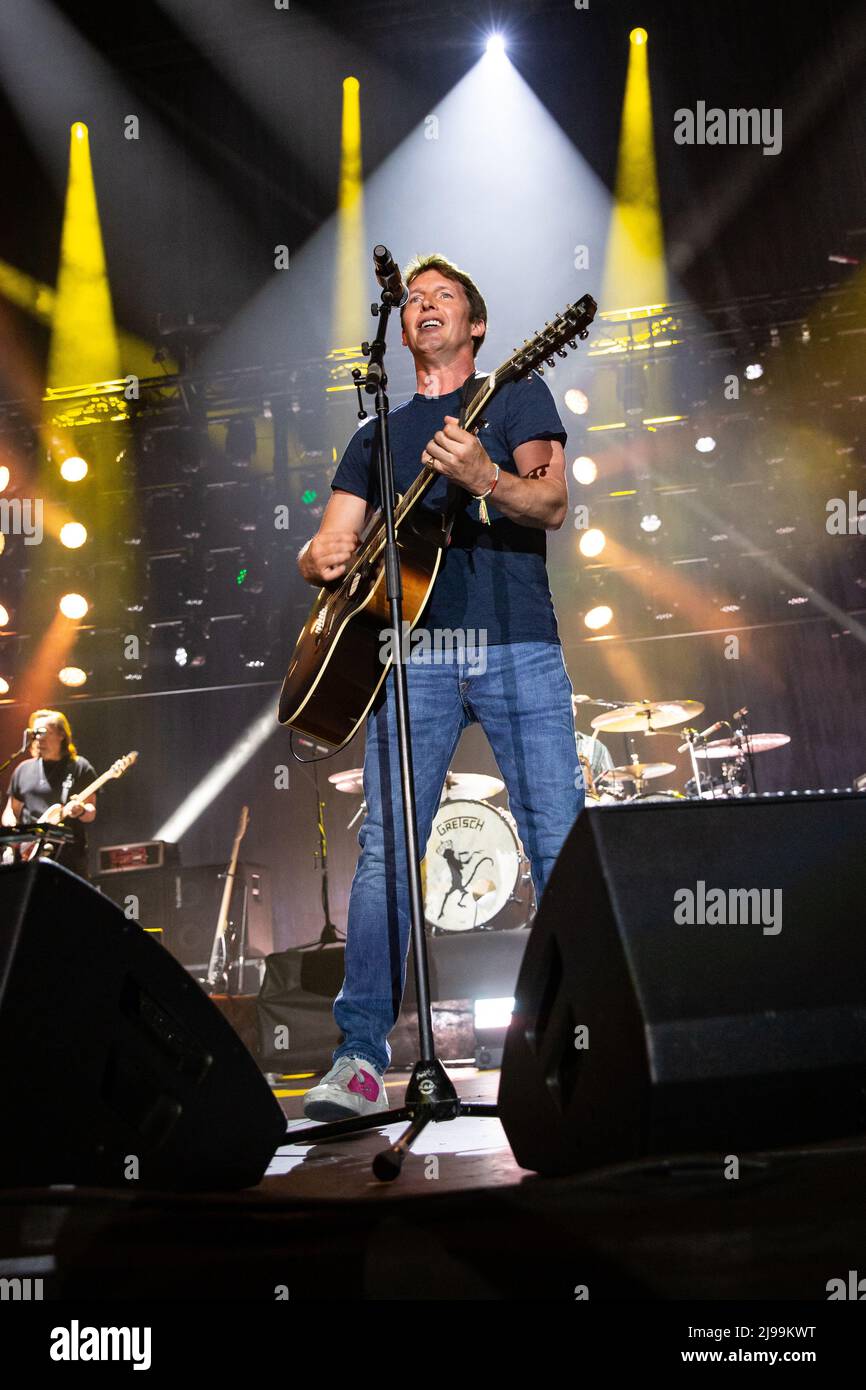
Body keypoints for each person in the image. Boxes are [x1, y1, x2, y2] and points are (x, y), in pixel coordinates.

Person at [298, 253, 584, 1120]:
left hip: (517, 646)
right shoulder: (374, 433)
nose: (424, 306)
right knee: (388, 853)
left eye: (443, 297)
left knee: (560, 846)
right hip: (408, 658)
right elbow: (322, 545)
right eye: (414, 298)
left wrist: (484, 478)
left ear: (477, 324)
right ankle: (358, 1058)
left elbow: (552, 502)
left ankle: (582, 1032)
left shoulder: (515, 393)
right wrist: (322, 557)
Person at [2, 709, 96, 880]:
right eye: (36, 733)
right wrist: (14, 836)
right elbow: (11, 810)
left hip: (68, 858)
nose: (39, 738)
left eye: (44, 732)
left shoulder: (79, 767)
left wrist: (81, 811)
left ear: (61, 734)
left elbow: (91, 812)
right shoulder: (23, 769)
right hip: (28, 855)